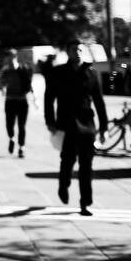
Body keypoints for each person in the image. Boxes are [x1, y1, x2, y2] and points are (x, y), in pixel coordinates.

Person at [44, 39, 109, 216]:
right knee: (67, 160)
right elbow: (49, 98)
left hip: (87, 124)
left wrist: (104, 127)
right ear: (68, 52)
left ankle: (85, 203)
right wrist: (50, 122)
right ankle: (63, 185)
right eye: (74, 49)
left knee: (86, 165)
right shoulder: (58, 73)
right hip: (67, 123)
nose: (78, 52)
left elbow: (99, 102)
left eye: (80, 49)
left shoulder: (92, 73)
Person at [0, 49, 34, 158]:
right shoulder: (5, 71)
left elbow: (29, 83)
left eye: (10, 57)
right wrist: (3, 84)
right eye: (7, 58)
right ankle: (11, 138)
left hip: (22, 100)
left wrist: (34, 96)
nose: (8, 60)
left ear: (15, 57)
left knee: (21, 125)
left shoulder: (23, 69)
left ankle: (21, 147)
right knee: (9, 124)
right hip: (10, 100)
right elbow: (0, 85)